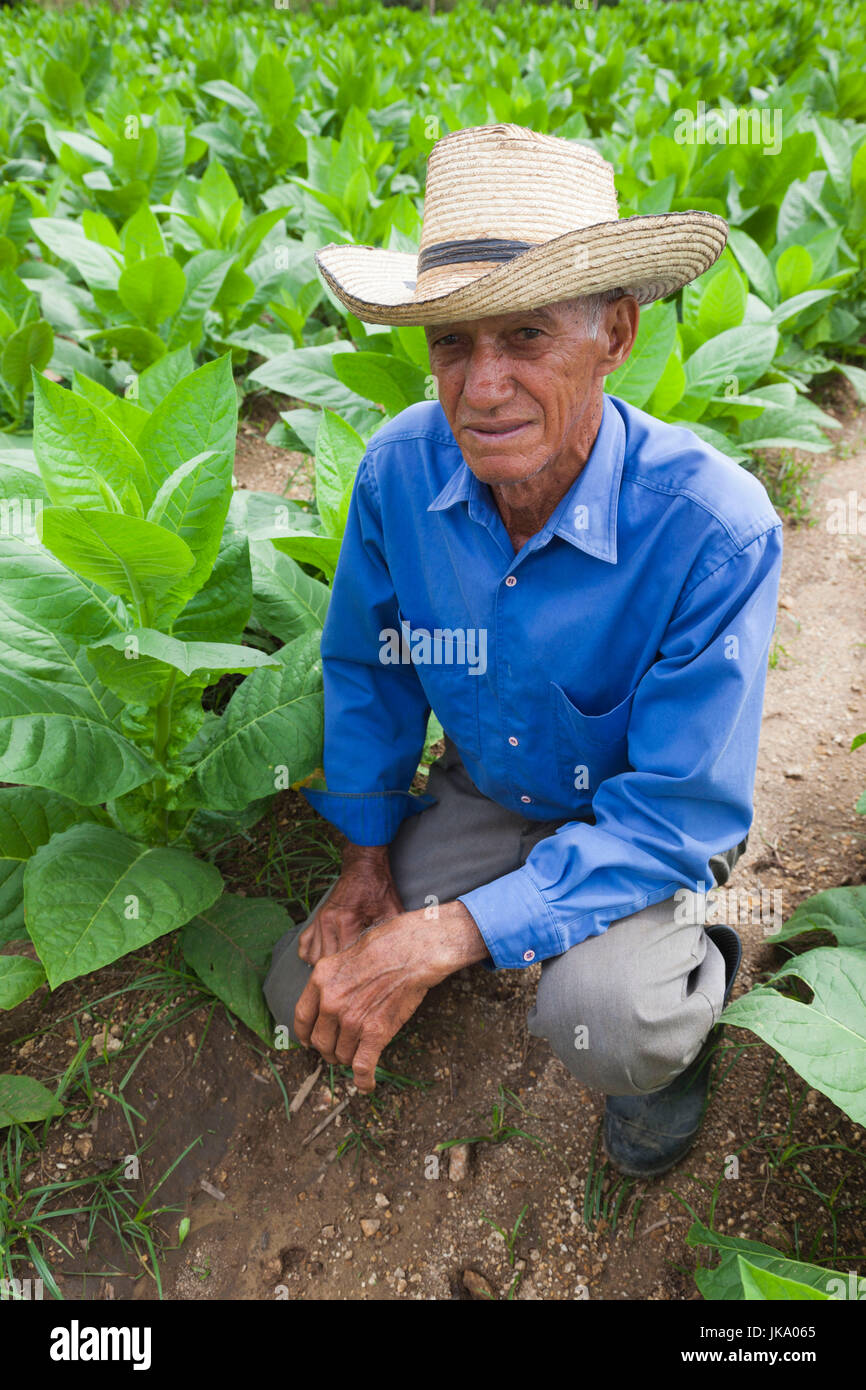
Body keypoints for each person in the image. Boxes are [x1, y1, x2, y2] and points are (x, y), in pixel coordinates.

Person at [264, 123, 783, 1177]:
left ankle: (700, 965)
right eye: (452, 342)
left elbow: (672, 809)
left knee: (604, 1013)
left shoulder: (712, 526)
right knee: (299, 982)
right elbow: (369, 671)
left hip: (645, 818)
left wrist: (449, 932)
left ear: (616, 336)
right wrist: (367, 860)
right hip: (494, 788)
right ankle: (486, 918)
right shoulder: (397, 473)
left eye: (526, 337)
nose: (481, 384)